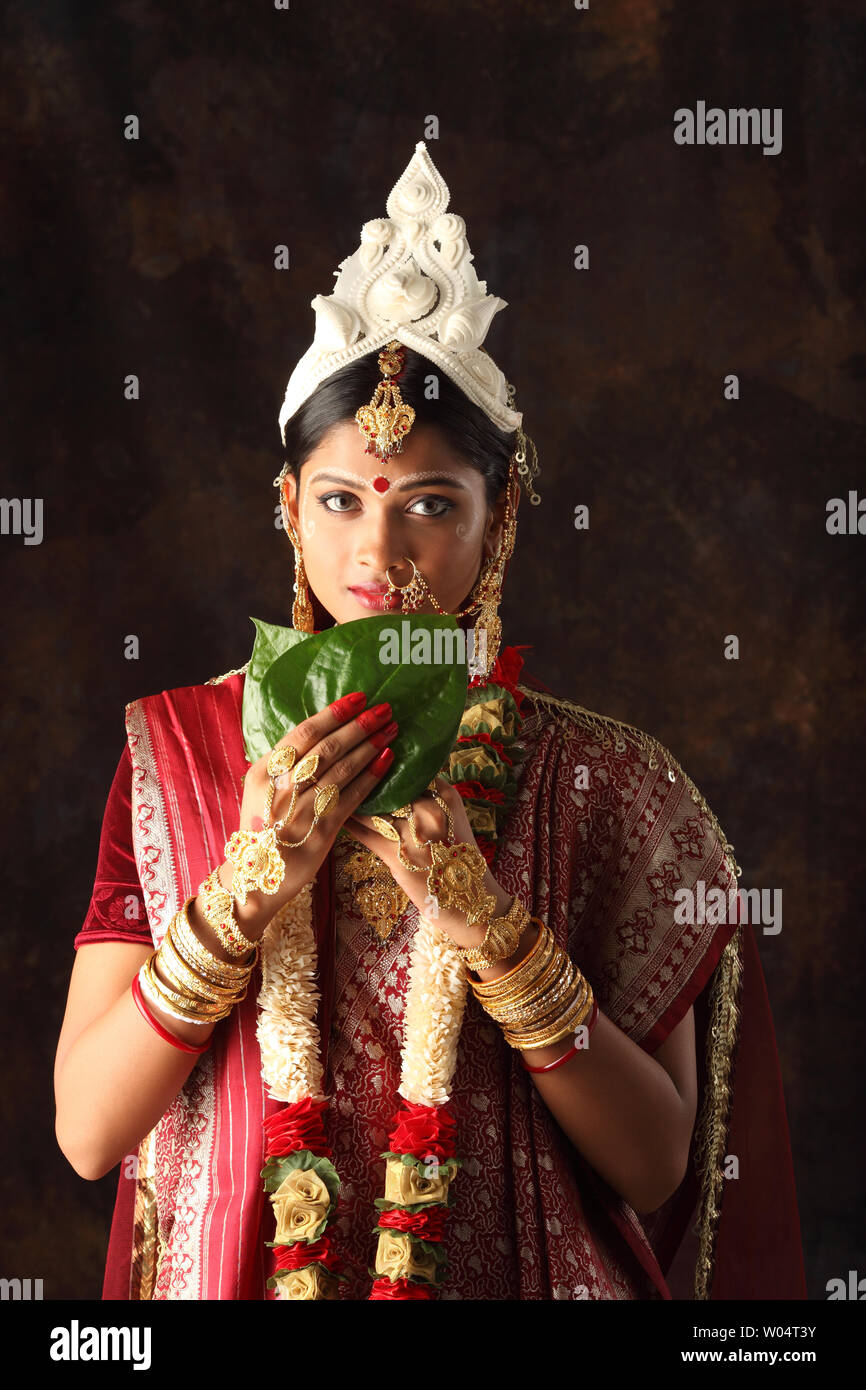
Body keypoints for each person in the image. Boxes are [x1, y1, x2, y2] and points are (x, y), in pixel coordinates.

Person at [54, 142, 806, 1301]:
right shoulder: (184, 757)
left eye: (430, 506)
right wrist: (244, 893)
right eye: (342, 499)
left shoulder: (597, 780)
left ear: (496, 520)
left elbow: (656, 1163)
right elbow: (89, 1133)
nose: (380, 552)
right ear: (288, 508)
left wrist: (489, 927)